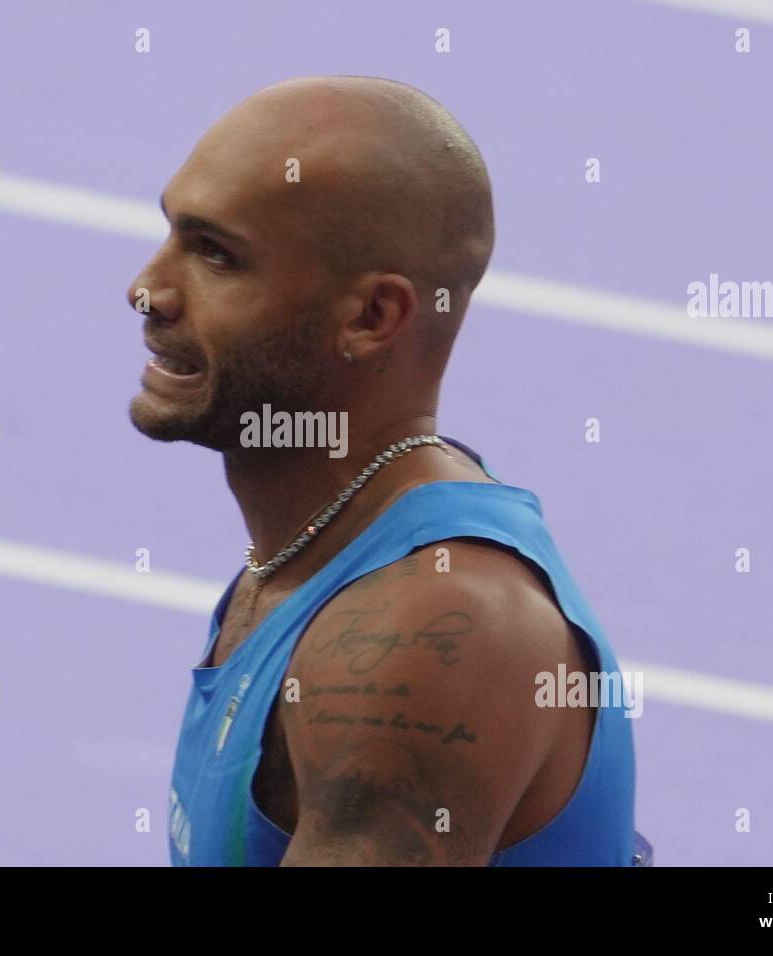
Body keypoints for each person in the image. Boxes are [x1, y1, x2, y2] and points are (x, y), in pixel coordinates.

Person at [127, 75, 648, 866]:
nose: (148, 290)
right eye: (171, 233)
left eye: (216, 257)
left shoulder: (426, 637)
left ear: (372, 318)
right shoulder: (313, 545)